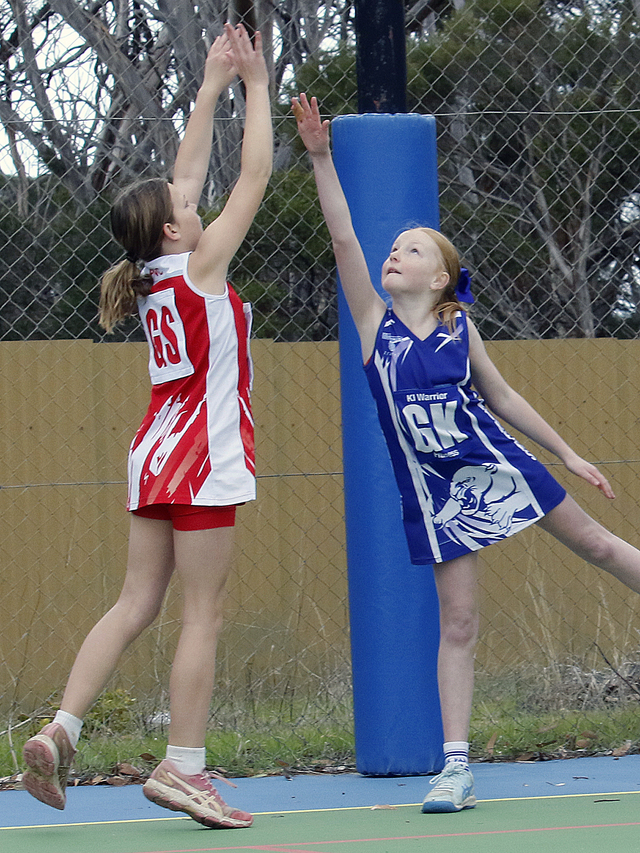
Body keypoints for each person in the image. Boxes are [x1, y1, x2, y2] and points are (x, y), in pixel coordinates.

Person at [292, 92, 640, 814]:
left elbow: (505, 401)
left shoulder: (459, 328)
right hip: (437, 496)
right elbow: (345, 241)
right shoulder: (373, 328)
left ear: (440, 276)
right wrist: (323, 159)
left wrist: (568, 453)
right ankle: (455, 767)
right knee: (459, 623)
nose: (394, 253)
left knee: (603, 546)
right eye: (396, 247)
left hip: (498, 466)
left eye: (411, 249)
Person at [21, 23, 272, 830]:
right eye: (184, 208)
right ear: (172, 229)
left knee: (136, 600)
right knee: (201, 613)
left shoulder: (155, 272)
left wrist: (208, 86)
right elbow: (253, 177)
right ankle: (184, 767)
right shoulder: (201, 268)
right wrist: (257, 88)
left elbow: (187, 173)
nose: (192, 202)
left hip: (154, 448)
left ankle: (62, 726)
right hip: (202, 451)